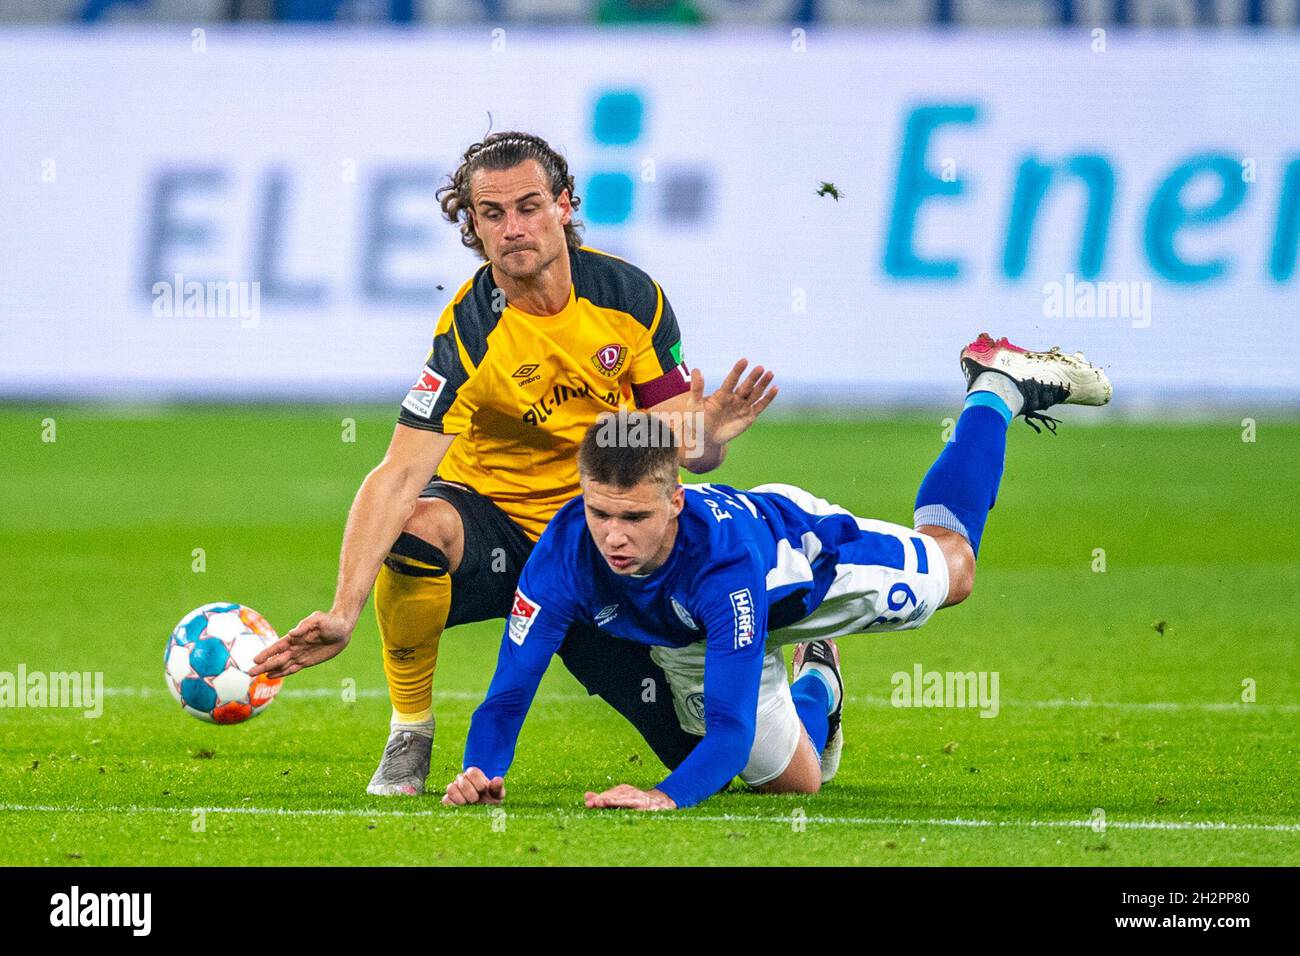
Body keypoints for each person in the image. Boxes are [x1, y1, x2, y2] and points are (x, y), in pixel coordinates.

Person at [250, 131, 777, 796]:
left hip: (594, 539)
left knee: (723, 764)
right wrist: (343, 611)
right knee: (415, 532)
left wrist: (706, 436)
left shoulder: (629, 296)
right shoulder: (469, 330)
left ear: (564, 204)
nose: (512, 228)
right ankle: (410, 729)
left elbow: (683, 454)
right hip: (491, 520)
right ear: (472, 224)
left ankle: (814, 672)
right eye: (491, 214)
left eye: (528, 207)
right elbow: (397, 474)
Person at [442, 333, 1112, 810]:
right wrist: (482, 769)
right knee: (798, 784)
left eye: (635, 519)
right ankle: (820, 675)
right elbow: (508, 693)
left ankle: (995, 388)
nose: (613, 537)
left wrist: (663, 797)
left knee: (956, 572)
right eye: (600, 513)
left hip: (801, 564)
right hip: (693, 632)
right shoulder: (562, 553)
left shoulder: (722, 564)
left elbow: (730, 728)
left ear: (675, 501)